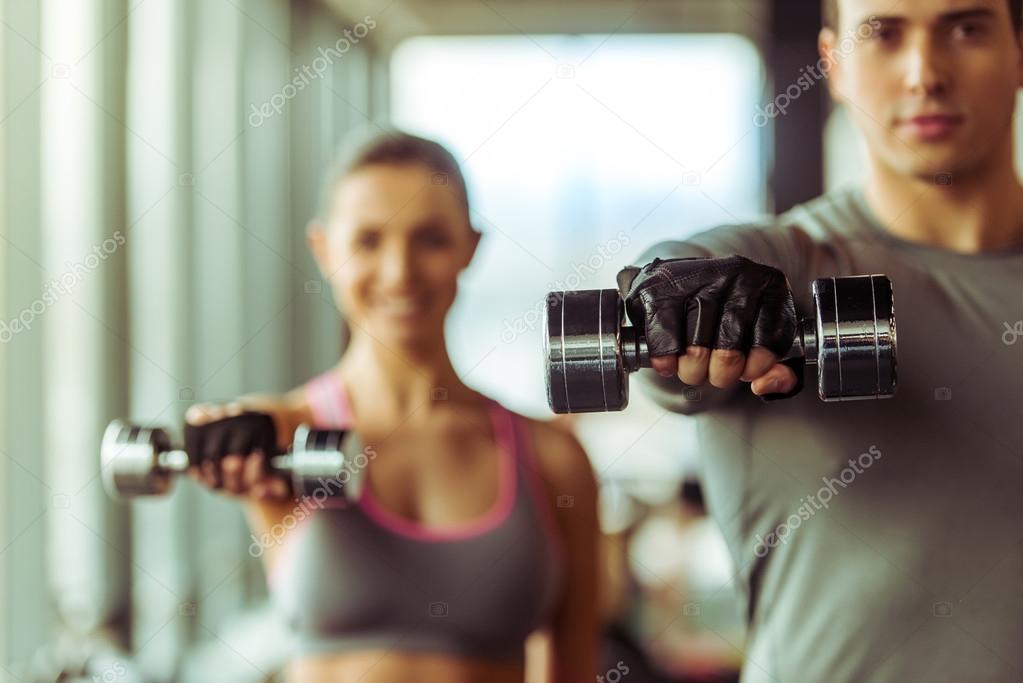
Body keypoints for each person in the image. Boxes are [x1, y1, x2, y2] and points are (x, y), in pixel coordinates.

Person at [622, 1, 1023, 681]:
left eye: (965, 28)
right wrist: (673, 294)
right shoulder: (785, 265)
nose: (924, 73)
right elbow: (672, 299)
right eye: (883, 34)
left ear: (1019, 48)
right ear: (832, 65)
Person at [184, 131, 599, 682]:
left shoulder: (553, 459)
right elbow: (217, 430)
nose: (400, 271)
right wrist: (214, 439)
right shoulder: (284, 433)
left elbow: (573, 669)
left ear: (470, 248)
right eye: (368, 241)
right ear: (323, 249)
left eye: (430, 239)